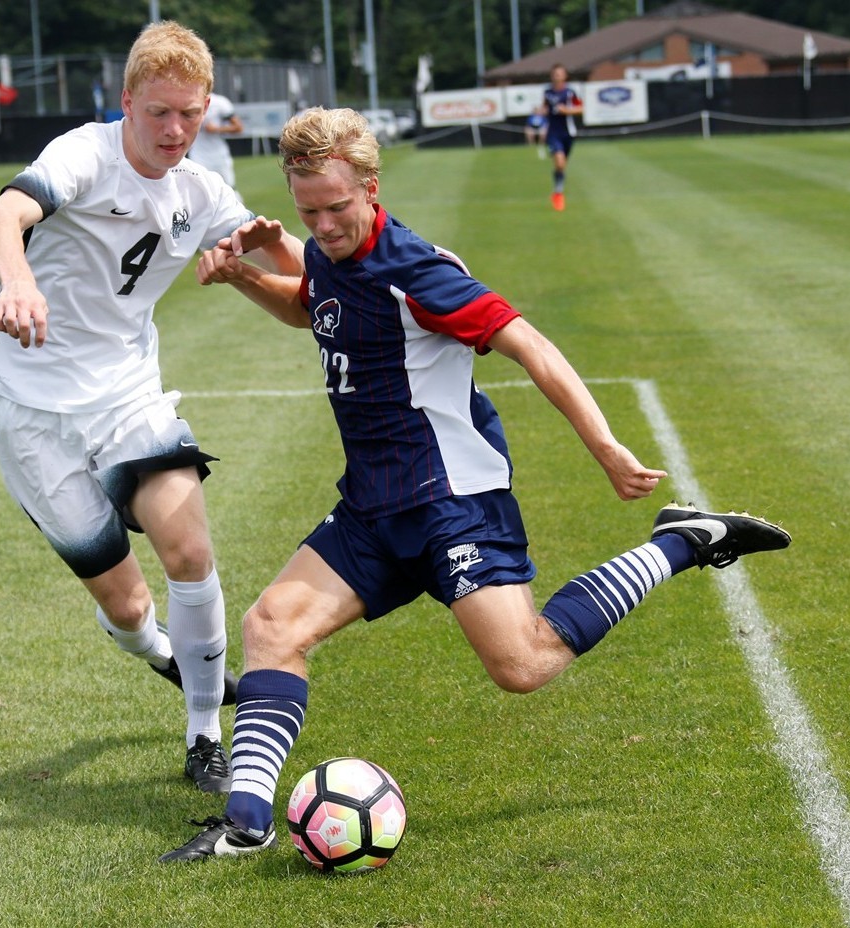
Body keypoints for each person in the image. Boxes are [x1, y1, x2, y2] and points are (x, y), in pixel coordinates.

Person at [159, 106, 790, 861]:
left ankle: (682, 542)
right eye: (308, 212)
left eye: (335, 208)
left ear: (370, 186)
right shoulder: (329, 250)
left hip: (452, 501)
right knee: (272, 627)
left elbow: (533, 345)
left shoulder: (415, 270)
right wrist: (243, 274)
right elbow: (313, 311)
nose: (322, 226)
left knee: (522, 664)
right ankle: (246, 824)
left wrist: (606, 446)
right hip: (371, 504)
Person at [0, 21, 305, 795]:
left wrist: (274, 250)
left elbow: (295, 274)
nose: (174, 130)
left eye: (190, 113)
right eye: (158, 112)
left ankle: (203, 733)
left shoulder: (201, 190)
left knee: (189, 550)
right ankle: (154, 647)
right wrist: (17, 282)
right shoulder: (83, 155)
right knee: (126, 608)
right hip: (31, 403)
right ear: (127, 102)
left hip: (126, 394)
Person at [539, 65, 582, 211]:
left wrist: (567, 110)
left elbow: (581, 108)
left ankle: (558, 186)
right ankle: (558, 193)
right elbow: (544, 108)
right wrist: (540, 112)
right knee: (559, 163)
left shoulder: (570, 93)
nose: (557, 76)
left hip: (568, 132)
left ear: (565, 76)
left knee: (562, 165)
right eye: (554, 74)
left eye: (559, 73)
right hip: (553, 133)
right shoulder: (547, 93)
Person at [186, 91, 243, 190]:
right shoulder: (187, 101)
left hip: (219, 154)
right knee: (200, 189)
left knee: (229, 188)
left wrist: (216, 129)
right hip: (198, 154)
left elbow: (238, 128)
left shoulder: (220, 102)